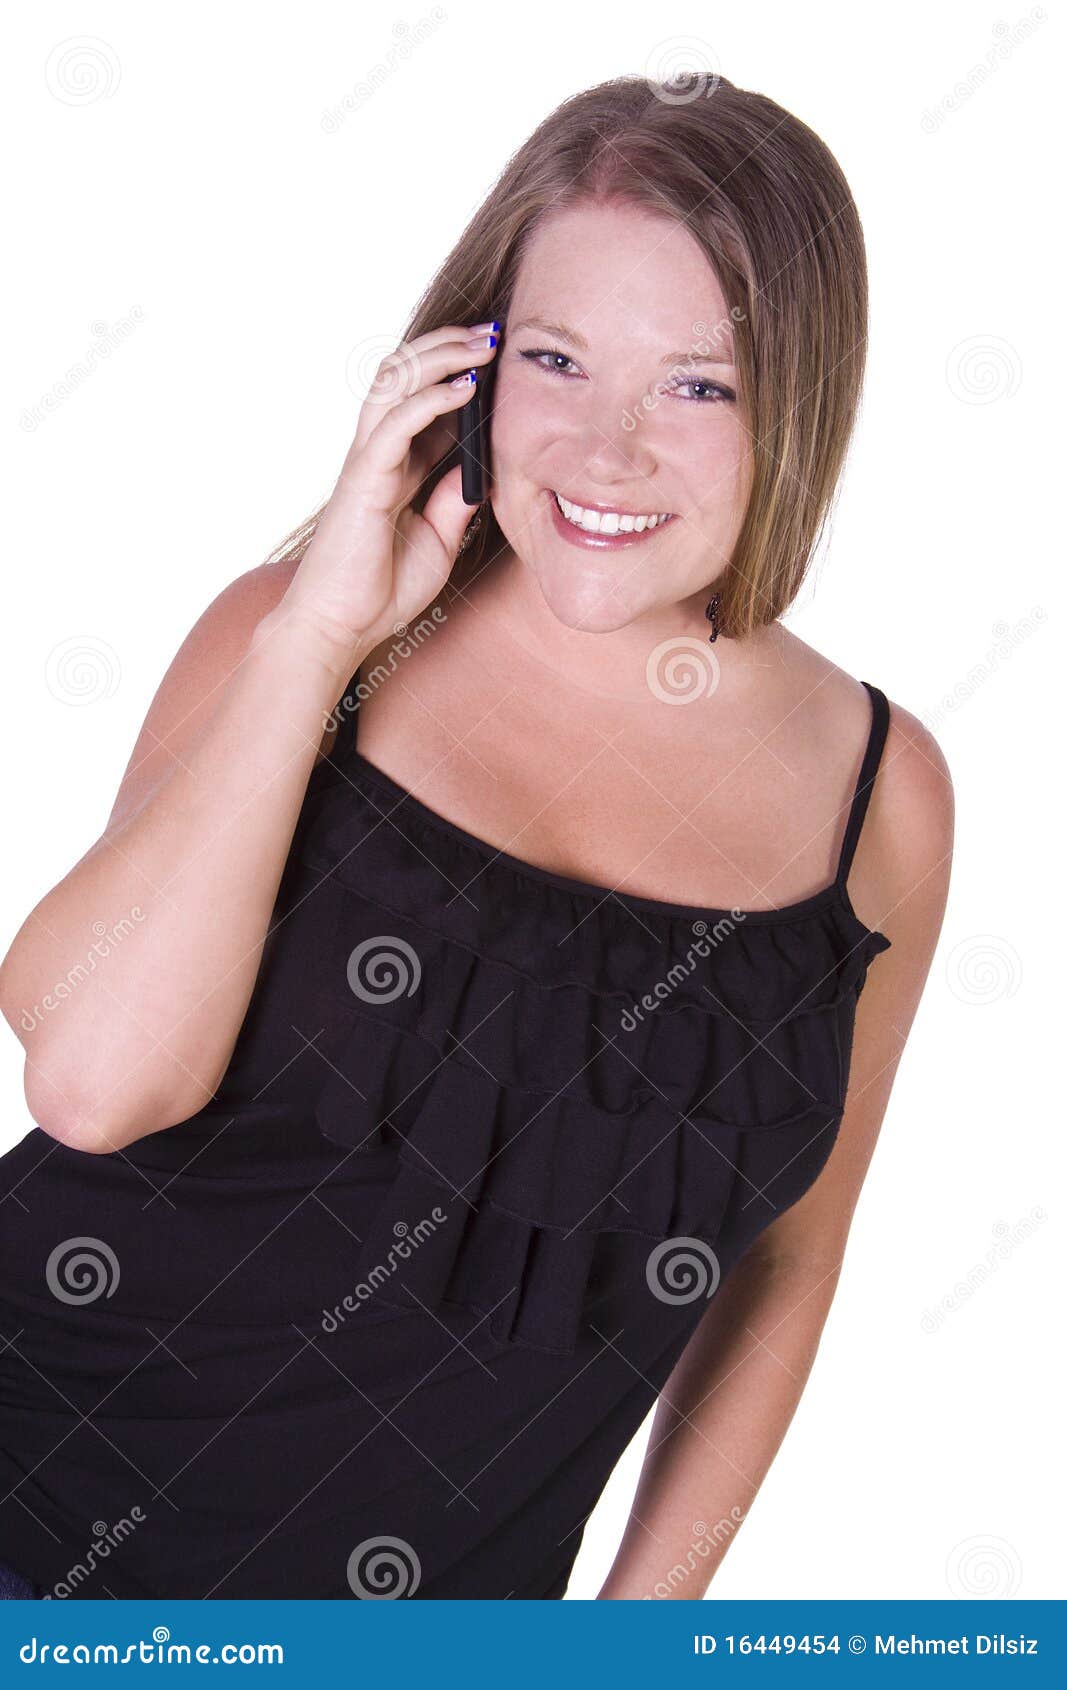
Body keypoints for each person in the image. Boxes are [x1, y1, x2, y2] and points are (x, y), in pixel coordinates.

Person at [0, 72, 952, 1600]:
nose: (608, 446)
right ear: (474, 368)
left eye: (696, 385)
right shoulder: (302, 644)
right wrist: (312, 640)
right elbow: (94, 1083)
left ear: (799, 396)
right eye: (560, 361)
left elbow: (788, 1258)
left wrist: (636, 1635)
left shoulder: (878, 794)